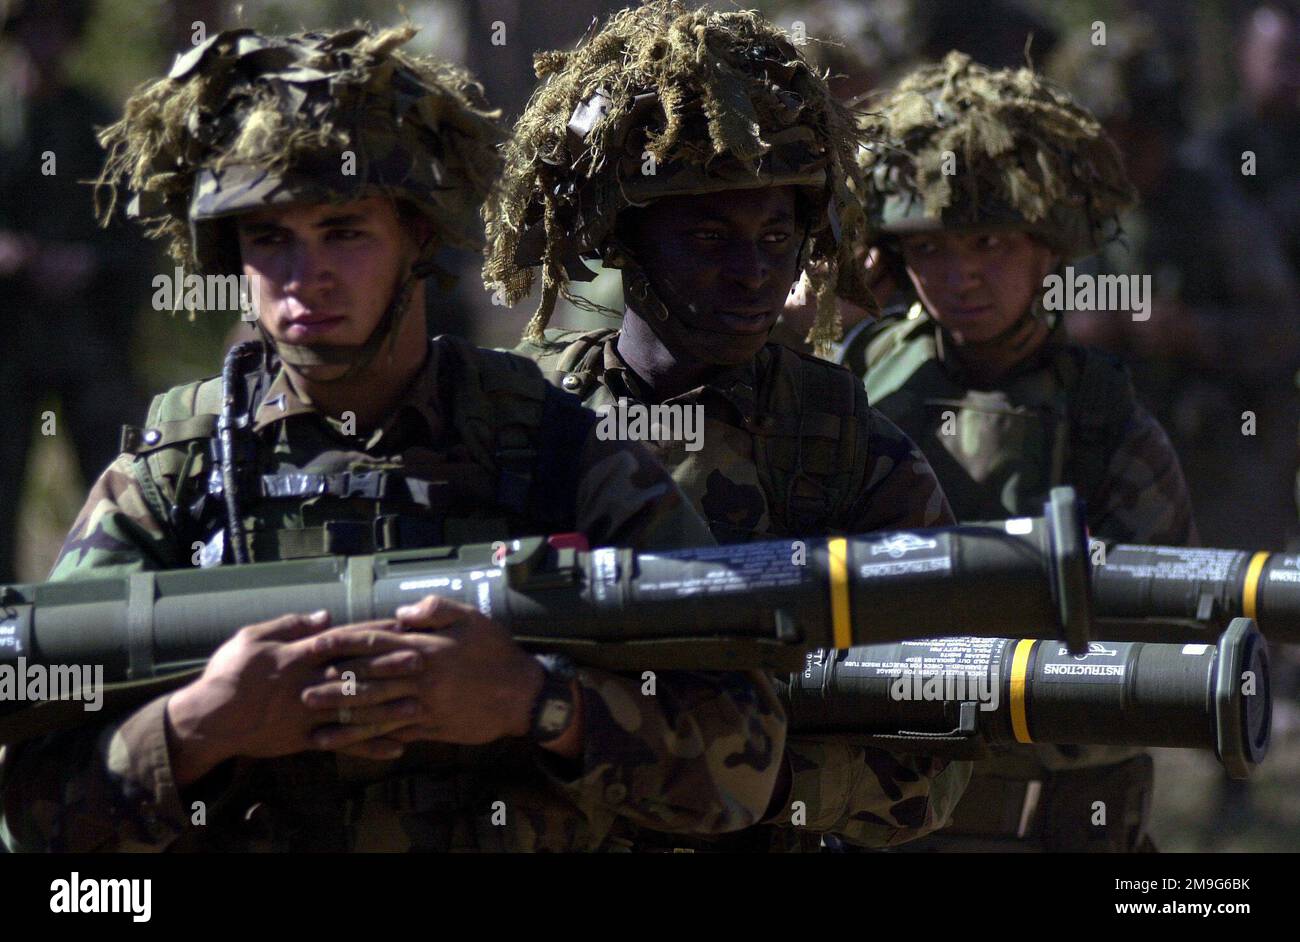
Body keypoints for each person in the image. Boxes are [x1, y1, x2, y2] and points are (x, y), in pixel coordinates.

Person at [0, 25, 785, 853]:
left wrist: (537, 705)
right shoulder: (171, 476)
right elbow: (31, 815)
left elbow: (742, 773)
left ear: (416, 236)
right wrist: (201, 727)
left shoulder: (558, 450)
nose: (307, 279)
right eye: (271, 238)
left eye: (344, 231)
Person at [486, 0, 967, 850]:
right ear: (626, 242)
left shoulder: (847, 448)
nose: (752, 272)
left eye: (776, 235)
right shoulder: (521, 419)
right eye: (709, 237)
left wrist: (748, 784)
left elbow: (942, 741)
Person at [837, 52, 1196, 851]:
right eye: (928, 248)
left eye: (991, 241)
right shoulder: (850, 383)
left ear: (1049, 247)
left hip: (1055, 819)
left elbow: (1165, 661)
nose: (961, 275)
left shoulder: (1104, 421)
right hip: (887, 814)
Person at [0, 0, 149, 582]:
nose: (47, 41)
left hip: (85, 340)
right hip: (8, 340)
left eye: (58, 28)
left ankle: (111, 608)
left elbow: (136, 233)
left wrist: (86, 264)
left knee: (115, 481)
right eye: (36, 26)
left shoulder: (95, 123)